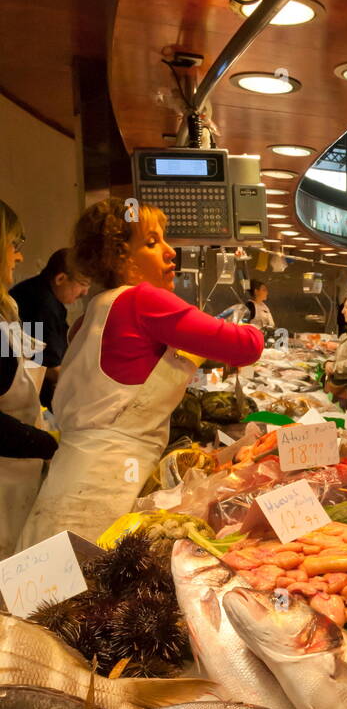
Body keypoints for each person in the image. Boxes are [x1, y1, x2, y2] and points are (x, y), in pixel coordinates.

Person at [19, 199, 263, 547]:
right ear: (118, 256)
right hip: (106, 491)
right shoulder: (143, 301)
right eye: (152, 242)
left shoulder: (91, 314)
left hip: (64, 484)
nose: (170, 252)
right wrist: (245, 325)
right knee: (89, 594)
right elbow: (247, 345)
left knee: (37, 595)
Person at [0, 200, 58, 558]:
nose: (19, 257)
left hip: (17, 479)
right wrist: (51, 444)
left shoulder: (7, 308)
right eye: (14, 244)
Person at [11, 248, 88, 406]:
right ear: (60, 278)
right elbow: (48, 366)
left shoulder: (47, 296)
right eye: (82, 284)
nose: (85, 293)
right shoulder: (42, 304)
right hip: (23, 394)